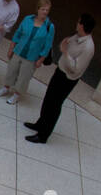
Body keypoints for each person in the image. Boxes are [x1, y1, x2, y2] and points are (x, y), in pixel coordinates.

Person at [25, 12, 95, 144]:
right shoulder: (77, 36)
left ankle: (43, 135)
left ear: (82, 26)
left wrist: (65, 52)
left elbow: (77, 68)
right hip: (60, 72)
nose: (76, 24)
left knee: (54, 105)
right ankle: (40, 124)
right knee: (48, 100)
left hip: (67, 79)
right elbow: (68, 44)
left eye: (78, 22)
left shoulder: (88, 47)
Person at [0, 0, 54, 106]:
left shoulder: (50, 27)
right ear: (38, 9)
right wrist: (11, 48)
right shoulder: (28, 19)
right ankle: (6, 88)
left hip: (32, 56)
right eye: (43, 9)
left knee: (24, 76)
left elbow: (47, 45)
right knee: (11, 70)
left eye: (47, 10)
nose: (45, 12)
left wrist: (41, 59)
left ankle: (17, 94)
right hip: (19, 51)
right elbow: (18, 34)